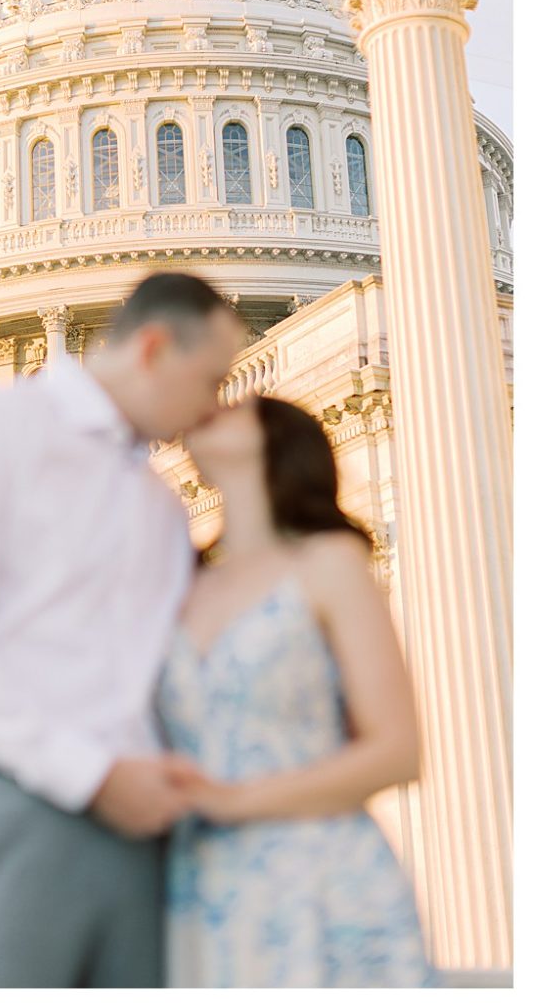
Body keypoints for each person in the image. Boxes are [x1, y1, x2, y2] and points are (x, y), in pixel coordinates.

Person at [0, 271, 245, 986]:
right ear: (153, 347)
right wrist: (93, 775)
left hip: (141, 831)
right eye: (210, 380)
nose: (213, 407)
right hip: (9, 807)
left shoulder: (161, 508)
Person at [160, 394, 428, 986]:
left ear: (276, 440)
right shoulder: (183, 581)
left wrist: (231, 802)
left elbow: (397, 749)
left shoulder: (330, 561)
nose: (212, 406)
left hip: (319, 877)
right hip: (203, 889)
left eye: (236, 408)